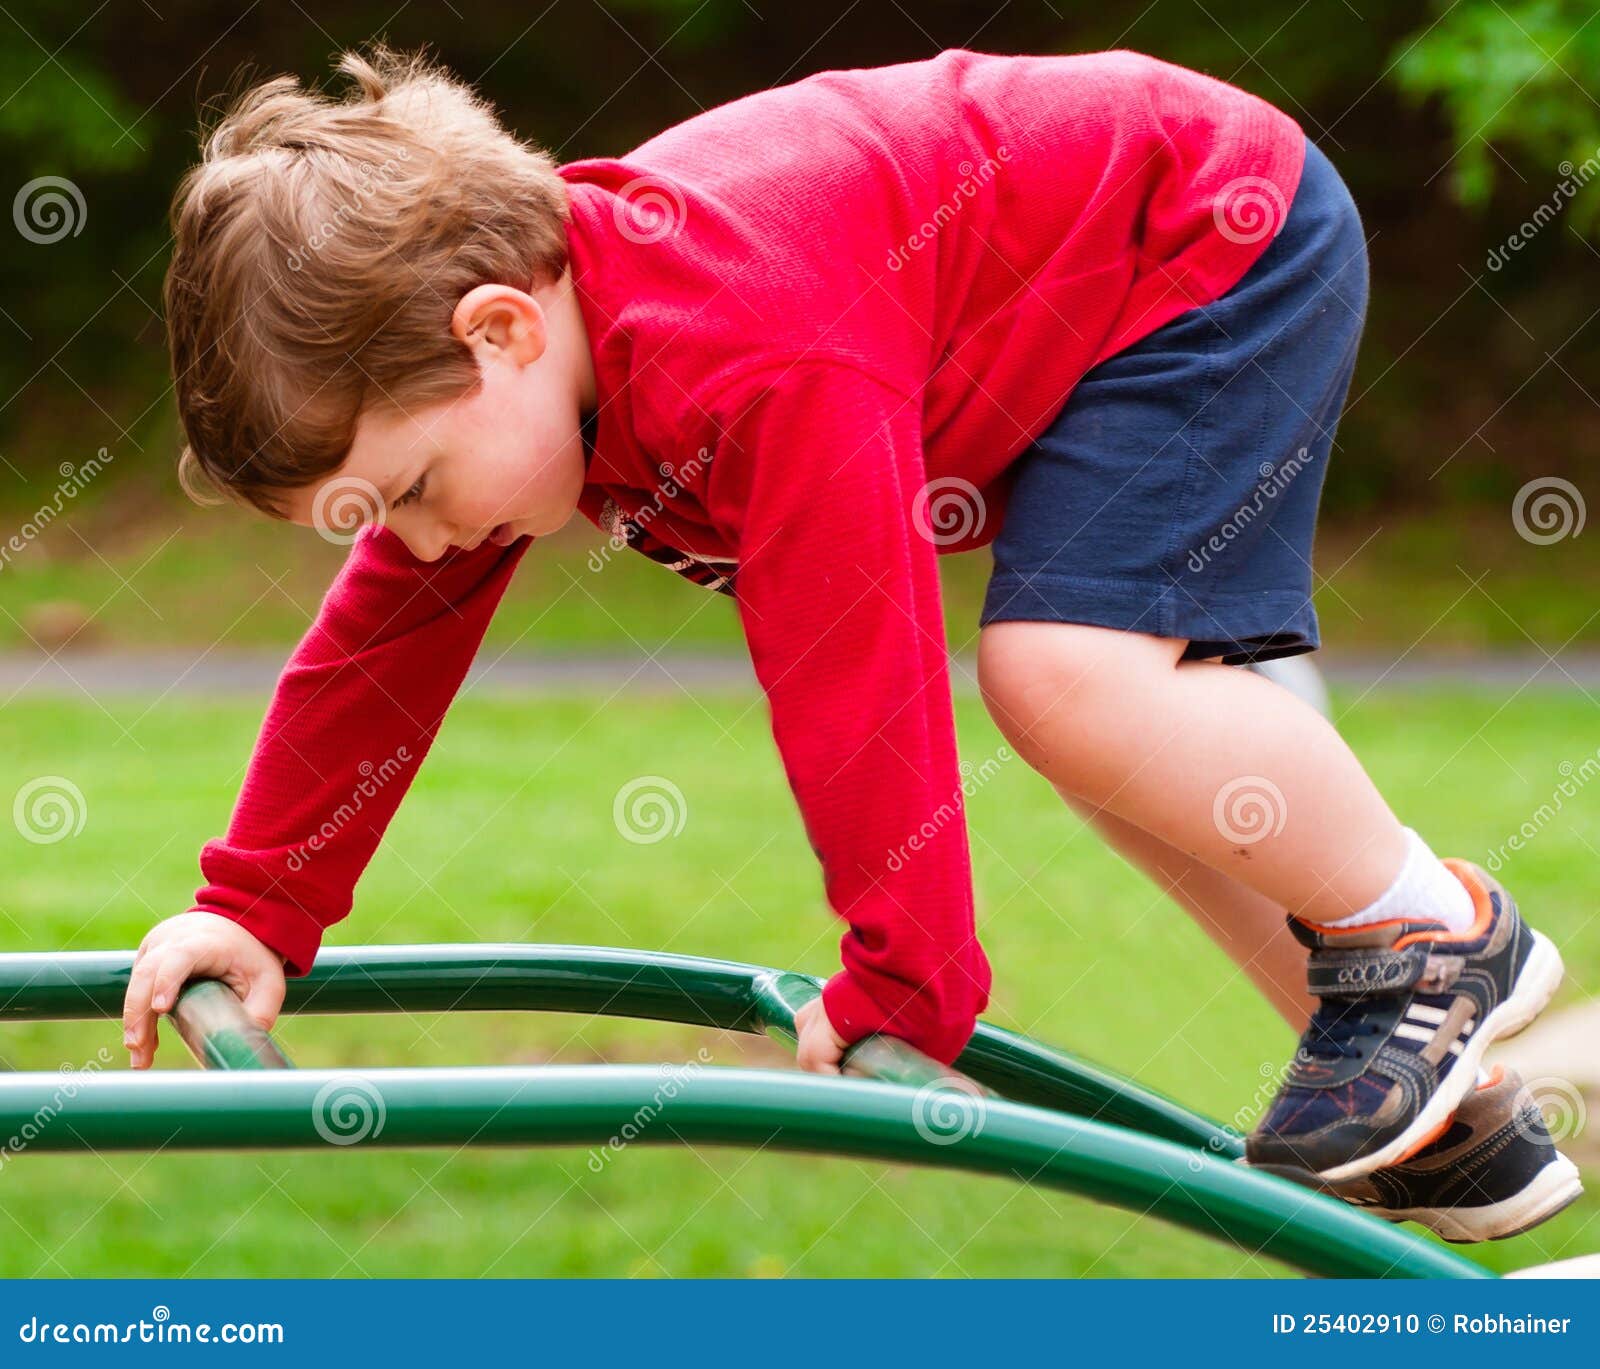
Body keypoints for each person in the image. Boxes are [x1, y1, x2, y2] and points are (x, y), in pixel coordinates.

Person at [125, 43, 1576, 1238]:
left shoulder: (744, 350)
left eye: (417, 492)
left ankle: (1435, 934)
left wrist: (907, 978)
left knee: (1065, 678)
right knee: (1110, 727)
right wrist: (258, 901)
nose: (424, 539)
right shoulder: (526, 368)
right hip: (1096, 308)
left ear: (501, 327)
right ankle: (1432, 1115)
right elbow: (377, 646)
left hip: (1200, 240)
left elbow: (855, 672)